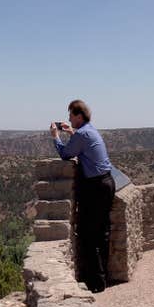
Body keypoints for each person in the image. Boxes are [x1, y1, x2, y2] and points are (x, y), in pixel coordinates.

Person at [52, 100, 117, 288]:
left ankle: (95, 282)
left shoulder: (81, 133)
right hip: (107, 182)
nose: (69, 119)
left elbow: (65, 154)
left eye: (71, 115)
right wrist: (71, 132)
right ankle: (103, 276)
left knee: (89, 234)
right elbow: (83, 146)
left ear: (79, 116)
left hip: (95, 187)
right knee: (102, 232)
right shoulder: (89, 130)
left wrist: (55, 136)